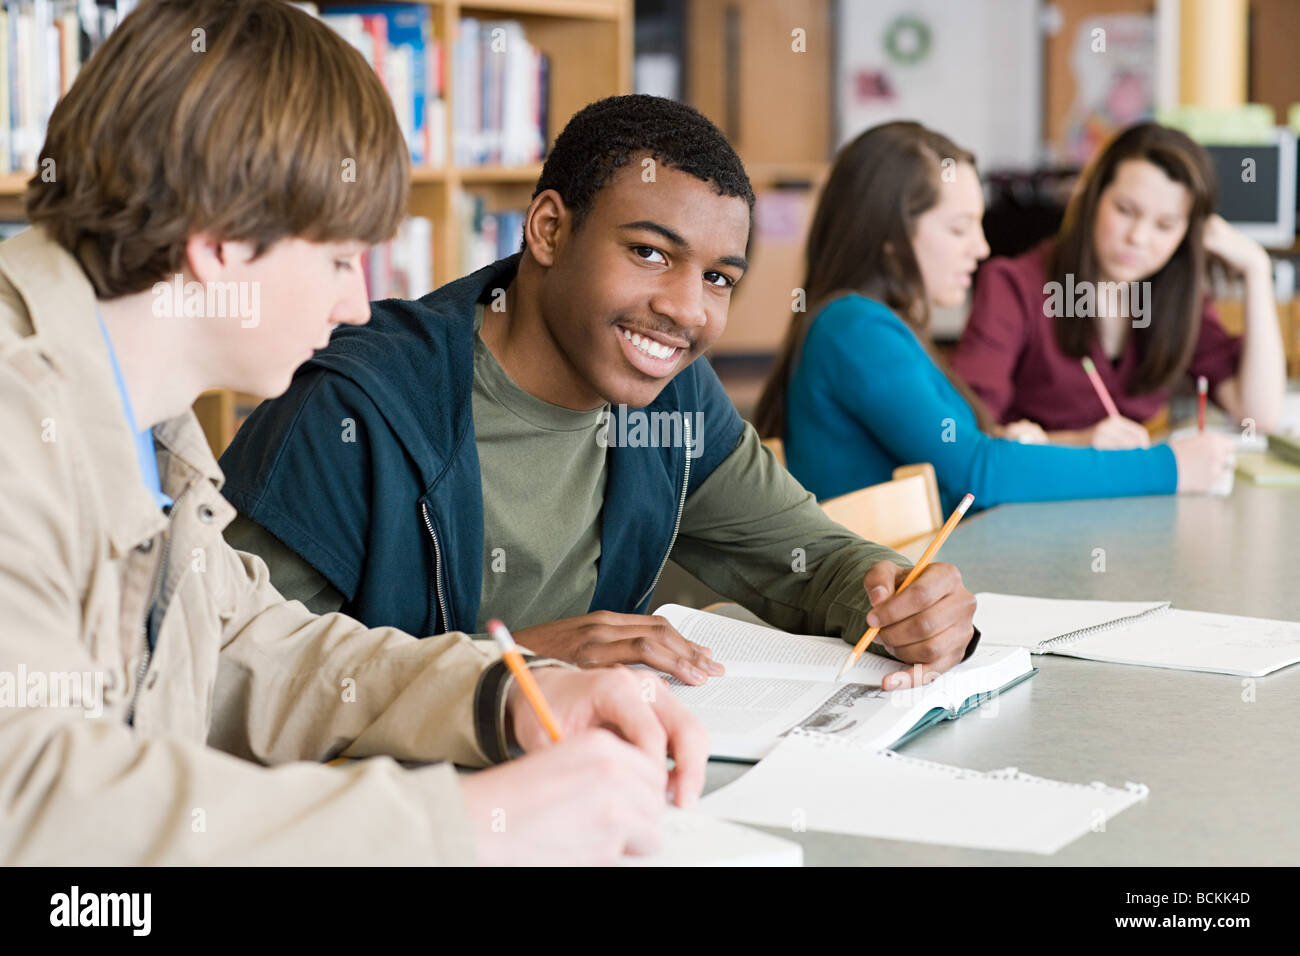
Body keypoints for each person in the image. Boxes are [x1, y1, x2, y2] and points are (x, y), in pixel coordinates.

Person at [0, 0, 708, 867]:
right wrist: (468, 823)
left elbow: (251, 647)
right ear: (220, 244)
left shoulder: (137, 408)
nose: (354, 305)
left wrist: (509, 698)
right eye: (339, 260)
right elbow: (32, 800)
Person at [218, 95, 981, 693]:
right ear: (548, 231)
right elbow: (234, 672)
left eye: (718, 278)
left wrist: (900, 601)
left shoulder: (671, 401)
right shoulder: (355, 410)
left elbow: (806, 557)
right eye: (650, 252)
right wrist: (509, 665)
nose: (688, 309)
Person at [752, 121, 1232, 511]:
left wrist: (1023, 441)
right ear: (891, 237)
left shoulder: (874, 328)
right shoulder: (854, 329)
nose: (981, 249)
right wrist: (1169, 468)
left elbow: (970, 453)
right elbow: (976, 471)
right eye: (960, 229)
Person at [951, 121, 1285, 449]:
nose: (1138, 238)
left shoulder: (1174, 299)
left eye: (1165, 225)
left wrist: (1257, 271)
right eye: (1125, 210)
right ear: (1092, 199)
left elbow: (1257, 416)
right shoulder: (1013, 287)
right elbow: (965, 438)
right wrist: (1079, 443)